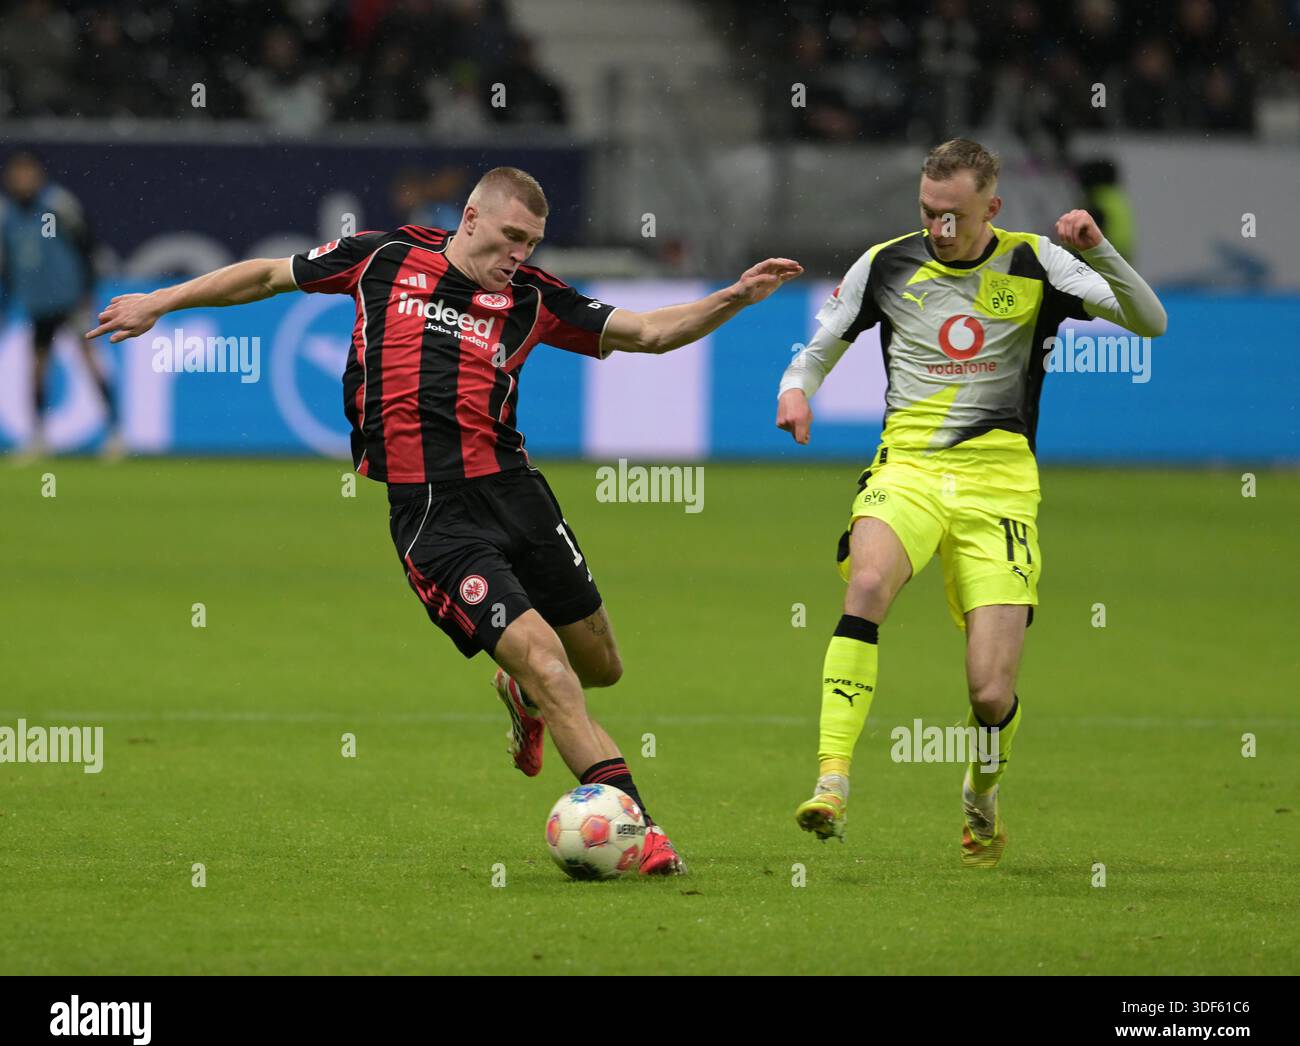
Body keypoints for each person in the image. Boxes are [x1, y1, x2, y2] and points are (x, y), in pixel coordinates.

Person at [89, 166, 803, 876]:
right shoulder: (384, 257)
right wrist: (162, 300)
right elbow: (265, 277)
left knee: (600, 667)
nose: (519, 253)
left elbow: (647, 332)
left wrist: (735, 297)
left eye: (532, 241)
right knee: (554, 669)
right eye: (511, 236)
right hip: (436, 518)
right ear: (470, 218)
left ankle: (519, 696)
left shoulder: (533, 296)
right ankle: (640, 831)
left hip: (519, 496)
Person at [776, 138, 1166, 867]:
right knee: (866, 582)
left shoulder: (1036, 262)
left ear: (993, 207)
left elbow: (1151, 322)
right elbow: (821, 343)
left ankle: (981, 797)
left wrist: (1102, 251)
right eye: (928, 211)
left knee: (990, 693)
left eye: (953, 214)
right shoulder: (887, 262)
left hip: (1001, 486)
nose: (939, 228)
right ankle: (831, 780)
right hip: (909, 469)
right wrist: (795, 389)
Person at [1, 150, 119, 457]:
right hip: (38, 302)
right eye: (17, 174)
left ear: (39, 175)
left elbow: (87, 246)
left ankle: (115, 431)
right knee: (37, 369)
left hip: (70, 297)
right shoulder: (6, 214)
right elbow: (7, 263)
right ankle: (39, 436)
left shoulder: (57, 205)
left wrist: (88, 289)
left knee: (88, 359)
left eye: (27, 173)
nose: (22, 180)